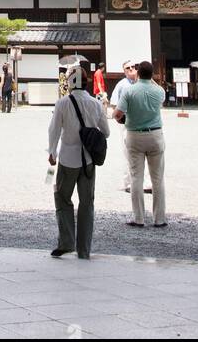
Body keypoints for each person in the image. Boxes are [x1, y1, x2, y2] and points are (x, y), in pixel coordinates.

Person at [47, 61, 110, 259]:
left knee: (63, 198)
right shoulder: (95, 104)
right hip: (89, 160)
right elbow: (106, 132)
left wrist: (52, 152)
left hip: (67, 157)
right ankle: (84, 249)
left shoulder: (62, 103)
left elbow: (54, 129)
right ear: (86, 82)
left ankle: (66, 241)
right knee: (87, 203)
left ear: (70, 83)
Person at [114, 60, 166, 228]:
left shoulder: (129, 92)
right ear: (152, 75)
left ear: (137, 72)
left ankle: (139, 217)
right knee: (157, 178)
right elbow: (159, 97)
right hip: (155, 134)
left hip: (135, 135)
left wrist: (124, 117)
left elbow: (117, 113)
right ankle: (159, 218)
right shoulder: (159, 91)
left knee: (136, 177)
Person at [109, 61, 139, 192]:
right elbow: (114, 104)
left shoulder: (142, 83)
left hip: (141, 122)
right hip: (126, 121)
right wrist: (121, 119)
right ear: (124, 71)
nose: (131, 69)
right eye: (128, 68)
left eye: (133, 67)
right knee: (128, 151)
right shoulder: (121, 85)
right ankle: (128, 182)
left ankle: (144, 182)